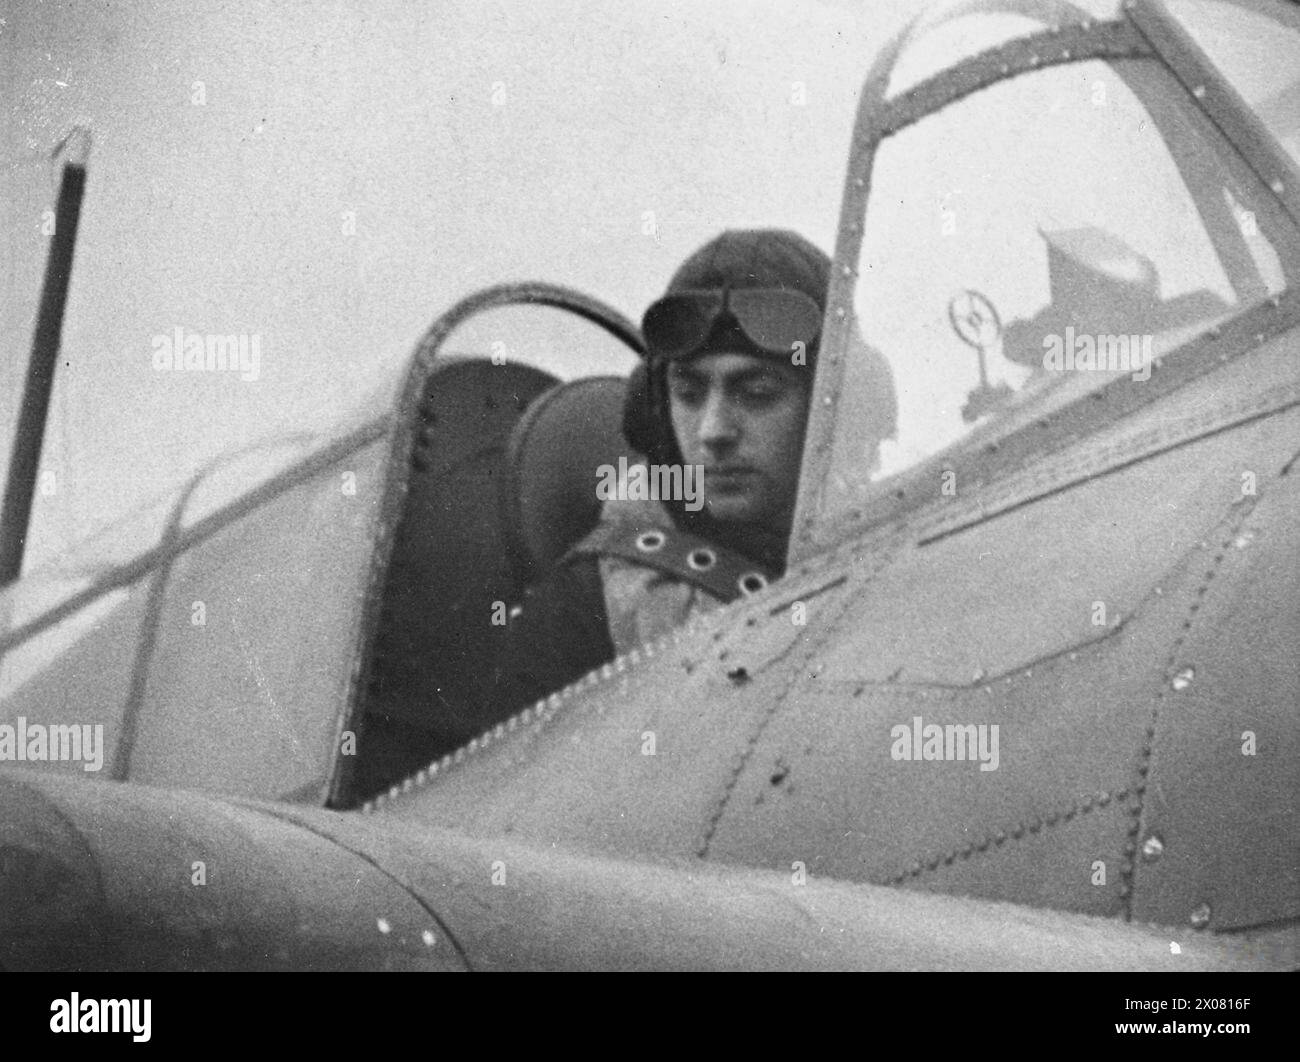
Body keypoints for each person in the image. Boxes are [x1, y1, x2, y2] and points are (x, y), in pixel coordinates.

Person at [491, 229, 829, 712]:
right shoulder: (579, 612)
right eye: (688, 394)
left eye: (756, 394)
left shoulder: (894, 549)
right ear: (653, 407)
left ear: (834, 406)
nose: (713, 431)